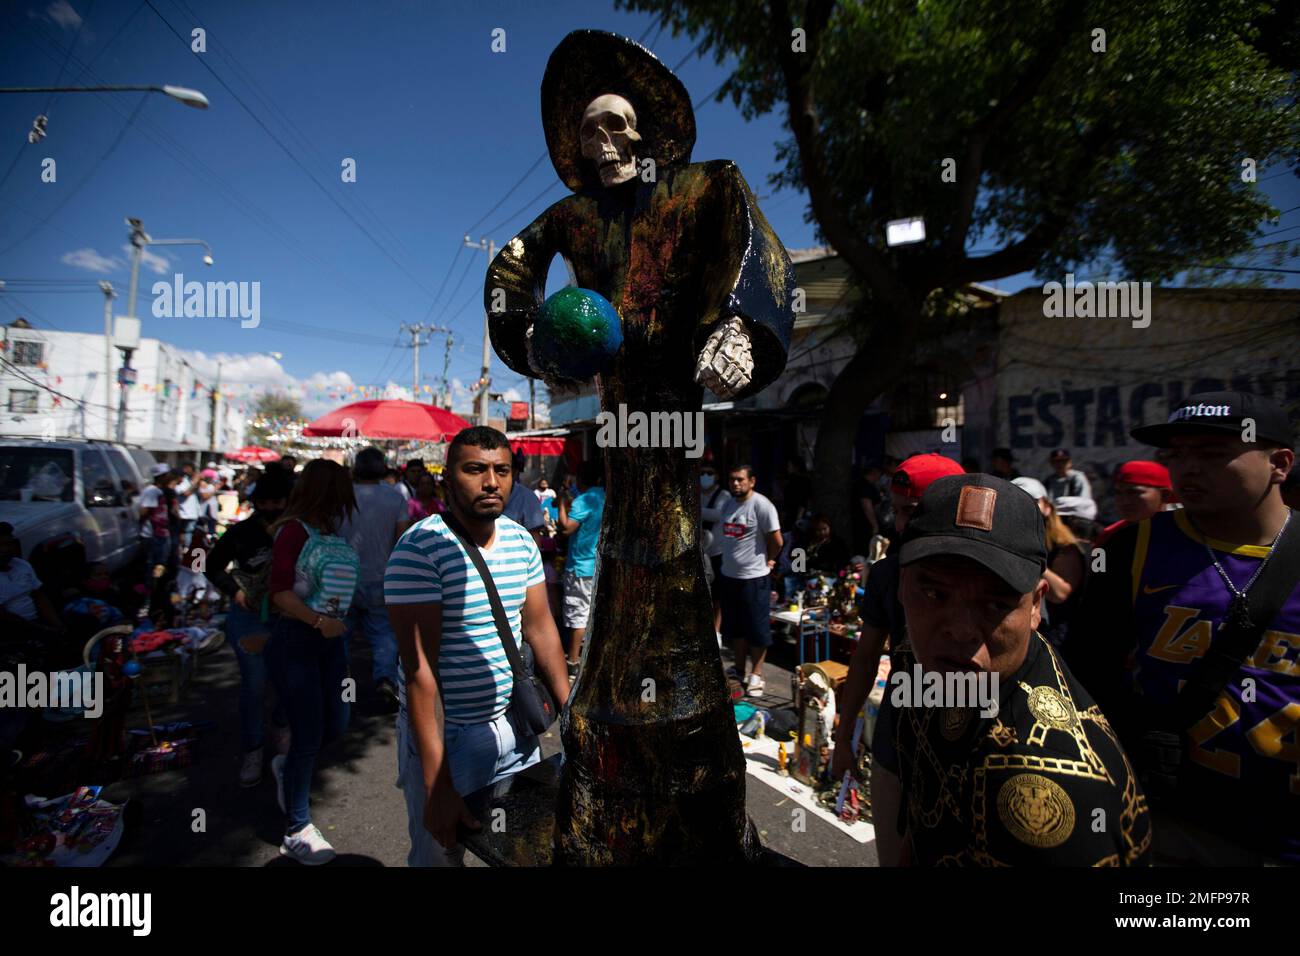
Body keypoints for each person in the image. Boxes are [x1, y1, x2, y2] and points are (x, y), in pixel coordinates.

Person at [1072, 390, 1298, 865]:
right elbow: (1089, 680)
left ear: (1279, 463)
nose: (1187, 468)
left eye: (1212, 453)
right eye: (1175, 454)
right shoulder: (1129, 551)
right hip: (1177, 824)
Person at [878, 473, 1150, 866]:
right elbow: (924, 802)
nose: (959, 629)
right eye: (935, 593)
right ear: (903, 585)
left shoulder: (1043, 789)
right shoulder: (916, 655)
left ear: (1035, 605)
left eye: (994, 605)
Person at [385, 426, 570, 866]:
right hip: (450, 740)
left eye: (502, 471)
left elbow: (541, 629)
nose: (491, 482)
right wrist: (438, 784)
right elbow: (420, 674)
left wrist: (571, 711)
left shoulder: (521, 540)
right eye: (475, 470)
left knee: (522, 850)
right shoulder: (420, 549)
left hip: (516, 727)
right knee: (441, 857)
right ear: (447, 477)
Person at [829, 452, 964, 865]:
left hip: (972, 736)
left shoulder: (993, 574)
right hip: (901, 729)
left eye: (914, 511)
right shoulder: (889, 573)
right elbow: (866, 658)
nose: (903, 524)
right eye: (899, 511)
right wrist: (844, 735)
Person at [265, 460, 361, 865]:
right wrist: (318, 622)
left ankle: (287, 767)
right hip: (297, 641)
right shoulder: (293, 532)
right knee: (309, 734)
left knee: (336, 725)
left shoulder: (328, 533)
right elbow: (279, 593)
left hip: (330, 642)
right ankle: (297, 829)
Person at [205, 467, 293, 787]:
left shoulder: (297, 531)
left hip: (289, 618)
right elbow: (212, 565)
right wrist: (235, 591)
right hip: (249, 617)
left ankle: (282, 727)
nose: (271, 508)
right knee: (254, 686)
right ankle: (253, 749)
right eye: (265, 502)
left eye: (278, 501)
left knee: (288, 681)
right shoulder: (240, 533)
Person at [339, 447, 409, 711]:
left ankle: (343, 684)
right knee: (383, 633)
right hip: (382, 575)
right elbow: (402, 539)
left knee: (342, 633)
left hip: (340, 578)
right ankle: (385, 679)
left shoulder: (341, 497)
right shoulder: (395, 497)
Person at [718, 465, 782, 698]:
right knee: (736, 628)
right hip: (729, 577)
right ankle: (739, 669)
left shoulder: (762, 506)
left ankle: (757, 673)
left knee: (757, 629)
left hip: (754, 578)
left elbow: (777, 540)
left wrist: (769, 560)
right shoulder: (728, 504)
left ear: (752, 481)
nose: (736, 484)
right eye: (732, 480)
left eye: (740, 480)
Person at [1011, 478, 1087, 650]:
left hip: (1055, 636)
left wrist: (1030, 555)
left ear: (1046, 506)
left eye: (1032, 501)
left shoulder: (1064, 547)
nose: (1024, 508)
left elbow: (1059, 594)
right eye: (1016, 501)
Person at [557, 460, 605, 678]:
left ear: (579, 478)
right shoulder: (604, 496)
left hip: (580, 567)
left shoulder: (584, 500)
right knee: (593, 613)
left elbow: (567, 529)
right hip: (597, 565)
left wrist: (560, 505)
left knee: (578, 616)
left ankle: (573, 662)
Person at [1093, 460, 1174, 547]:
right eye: (1118, 493)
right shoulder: (1109, 536)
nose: (1125, 501)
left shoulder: (1183, 532)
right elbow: (1099, 560)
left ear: (1164, 495)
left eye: (1134, 493)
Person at [699, 460, 733, 638]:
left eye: (709, 472)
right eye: (702, 472)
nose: (705, 476)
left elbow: (718, 514)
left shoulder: (724, 495)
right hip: (699, 551)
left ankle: (716, 632)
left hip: (718, 552)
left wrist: (695, 509)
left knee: (717, 596)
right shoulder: (695, 492)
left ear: (717, 476)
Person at [139, 465, 175, 576]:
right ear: (162, 476)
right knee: (152, 565)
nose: (170, 477)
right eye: (168, 475)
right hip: (152, 534)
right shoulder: (152, 491)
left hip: (161, 533)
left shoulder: (160, 491)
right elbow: (144, 511)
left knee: (160, 566)